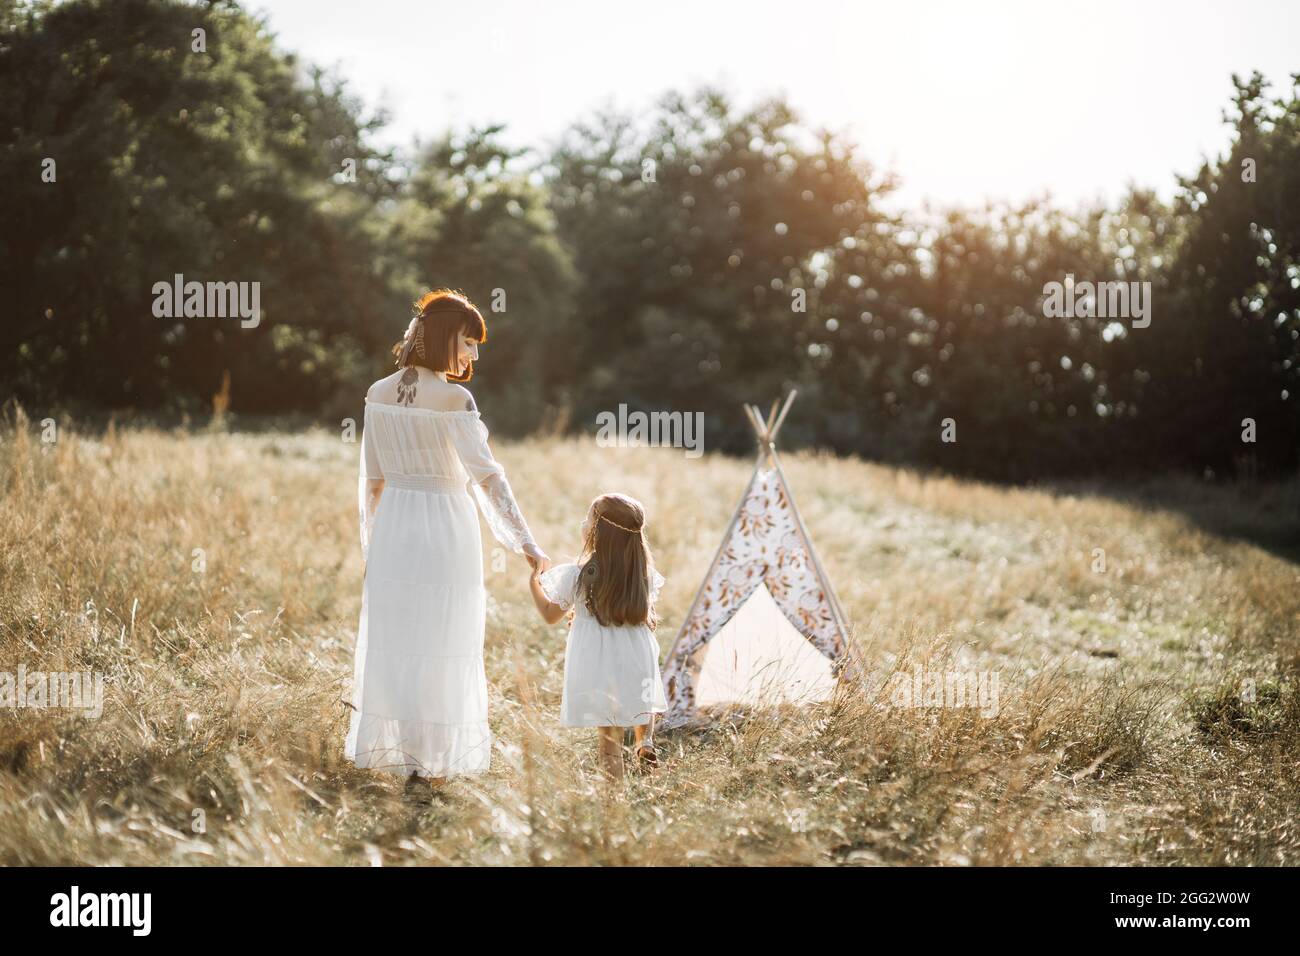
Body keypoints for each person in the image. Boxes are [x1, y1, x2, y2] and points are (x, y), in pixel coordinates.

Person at [346, 288, 548, 785]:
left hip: (394, 526)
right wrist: (525, 541)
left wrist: (372, 546)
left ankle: (405, 754)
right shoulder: (456, 399)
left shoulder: (376, 393)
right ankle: (431, 761)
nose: (473, 355)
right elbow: (488, 477)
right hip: (445, 527)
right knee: (443, 637)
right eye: (469, 342)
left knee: (398, 637)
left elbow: (373, 482)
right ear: (443, 338)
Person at [528, 493, 667, 779]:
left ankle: (613, 798)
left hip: (600, 665)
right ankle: (645, 742)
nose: (583, 523)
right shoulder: (643, 575)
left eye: (588, 518)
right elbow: (647, 616)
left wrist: (533, 583)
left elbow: (550, 615)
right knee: (642, 703)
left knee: (609, 741)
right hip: (638, 655)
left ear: (597, 532)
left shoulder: (578, 576)